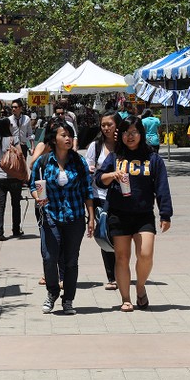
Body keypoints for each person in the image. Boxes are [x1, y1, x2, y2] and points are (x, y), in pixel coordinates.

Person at [96, 115, 173, 312]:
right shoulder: (114, 157)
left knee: (145, 254)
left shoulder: (153, 159)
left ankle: (140, 287)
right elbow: (98, 180)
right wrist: (112, 175)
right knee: (122, 257)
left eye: (133, 133)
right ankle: (125, 298)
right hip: (118, 214)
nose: (129, 137)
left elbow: (162, 187)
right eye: (125, 133)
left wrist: (165, 214)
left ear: (141, 134)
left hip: (143, 214)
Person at [30, 120, 95, 315]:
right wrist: (37, 198)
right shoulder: (44, 162)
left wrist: (91, 217)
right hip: (50, 215)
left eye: (70, 135)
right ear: (54, 138)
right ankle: (52, 292)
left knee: (70, 260)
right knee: (49, 257)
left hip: (74, 217)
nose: (68, 138)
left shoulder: (79, 161)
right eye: (63, 135)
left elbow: (87, 190)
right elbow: (33, 185)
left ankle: (68, 300)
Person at [84, 110, 122, 290]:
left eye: (110, 124)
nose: (106, 128)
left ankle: (121, 270)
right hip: (100, 195)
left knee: (120, 234)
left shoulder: (126, 144)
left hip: (122, 195)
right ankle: (112, 276)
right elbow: (87, 166)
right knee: (104, 232)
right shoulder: (96, 146)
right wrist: (91, 169)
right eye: (103, 125)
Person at [0, 117, 24, 240]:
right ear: (7, 127)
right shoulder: (14, 139)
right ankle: (16, 229)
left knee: (0, 205)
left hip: (0, 177)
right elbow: (20, 155)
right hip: (14, 176)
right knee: (16, 204)